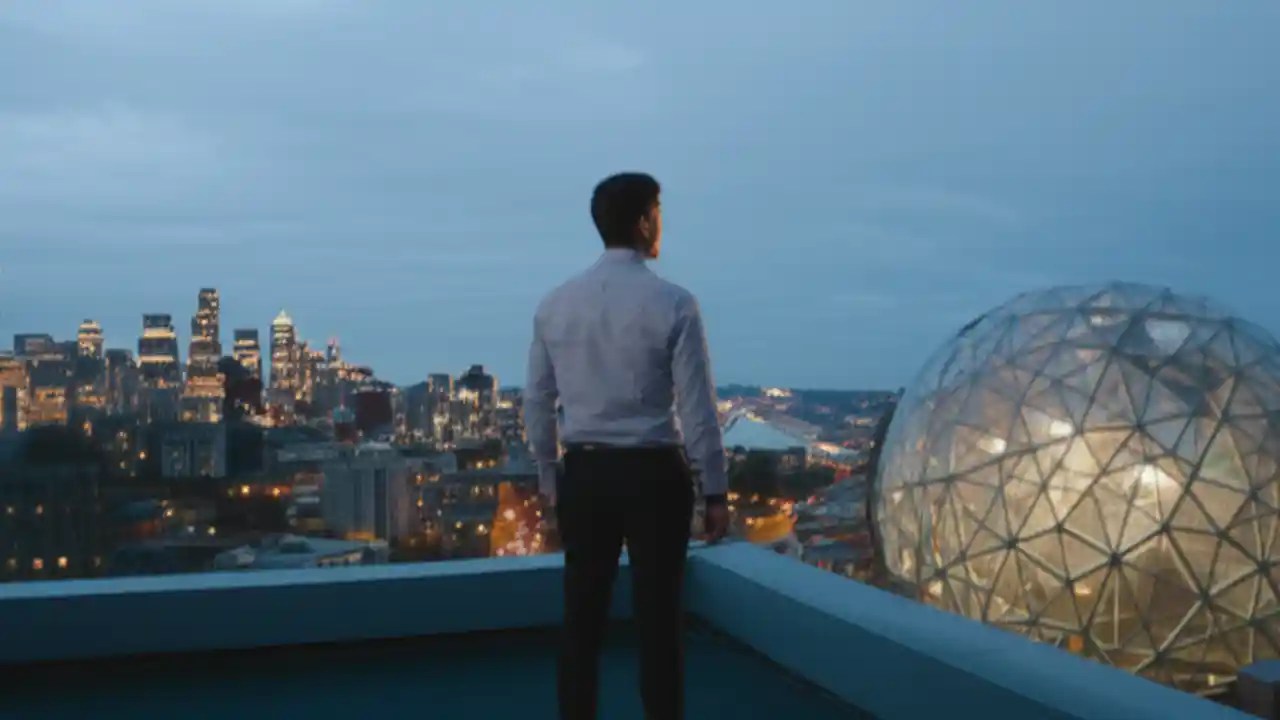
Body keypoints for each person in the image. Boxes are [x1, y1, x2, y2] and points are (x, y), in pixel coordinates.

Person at [523, 172, 730, 720]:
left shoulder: (555, 305)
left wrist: (549, 480)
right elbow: (697, 408)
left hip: (585, 475)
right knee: (659, 624)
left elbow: (538, 404)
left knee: (581, 621)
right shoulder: (675, 303)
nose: (661, 223)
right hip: (654, 475)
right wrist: (715, 491)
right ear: (644, 221)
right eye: (658, 211)